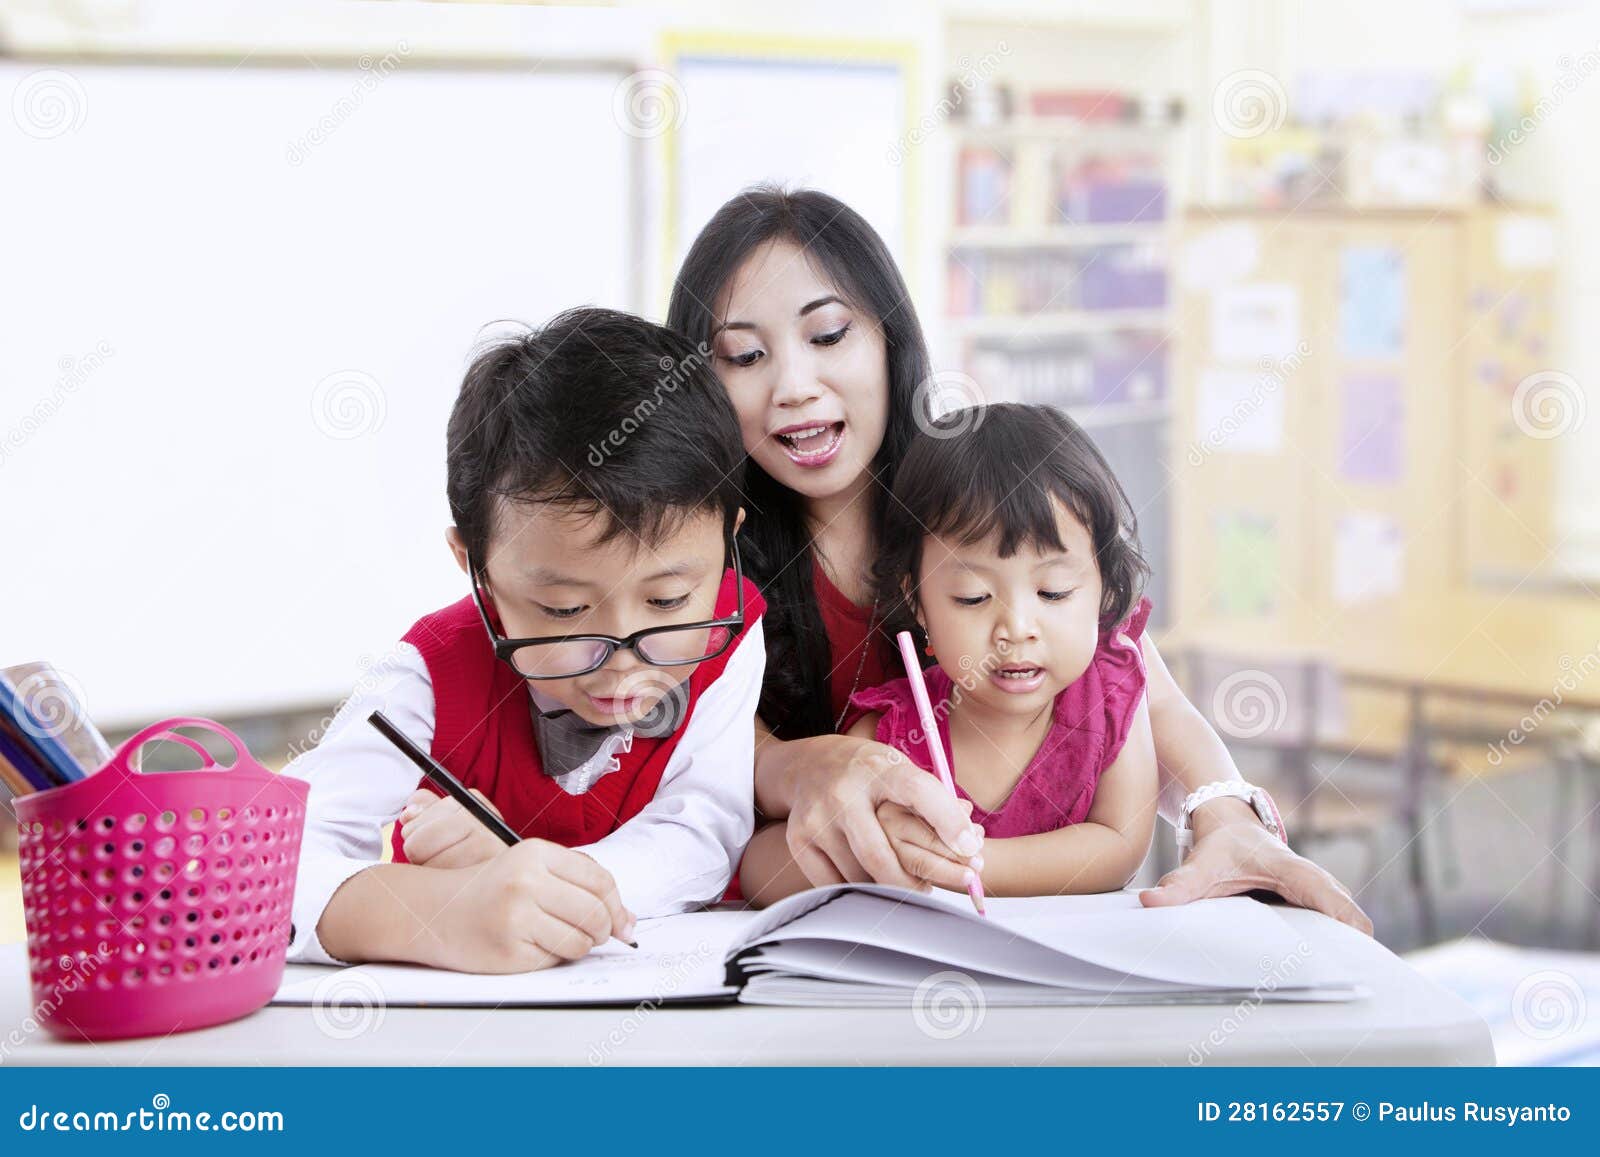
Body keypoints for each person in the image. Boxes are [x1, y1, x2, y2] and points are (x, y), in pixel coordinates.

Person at [667, 186, 1368, 931]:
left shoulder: (979, 490)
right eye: (744, 355)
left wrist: (1223, 815)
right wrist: (802, 770)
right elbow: (679, 734)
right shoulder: (695, 554)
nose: (795, 387)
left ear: (889, 339)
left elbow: (1137, 687)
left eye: (830, 335)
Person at [283, 308, 767, 972]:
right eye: (564, 609)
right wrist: (437, 910)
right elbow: (273, 863)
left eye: (667, 600)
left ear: (727, 541)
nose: (624, 660)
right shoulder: (429, 673)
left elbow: (704, 827)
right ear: (475, 566)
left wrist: (534, 878)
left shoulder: (732, 626)